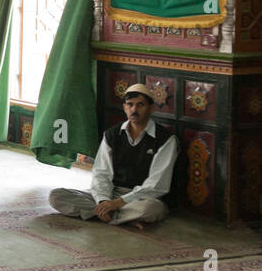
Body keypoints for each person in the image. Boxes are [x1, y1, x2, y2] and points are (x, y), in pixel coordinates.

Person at [47, 84, 177, 230]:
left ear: (151, 108)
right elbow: (101, 173)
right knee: (56, 196)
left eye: (140, 105)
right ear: (124, 107)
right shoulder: (112, 135)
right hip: (112, 191)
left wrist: (118, 203)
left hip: (142, 197)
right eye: (130, 105)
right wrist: (103, 200)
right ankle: (122, 218)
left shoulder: (165, 139)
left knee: (151, 209)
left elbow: (156, 186)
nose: (134, 110)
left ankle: (107, 214)